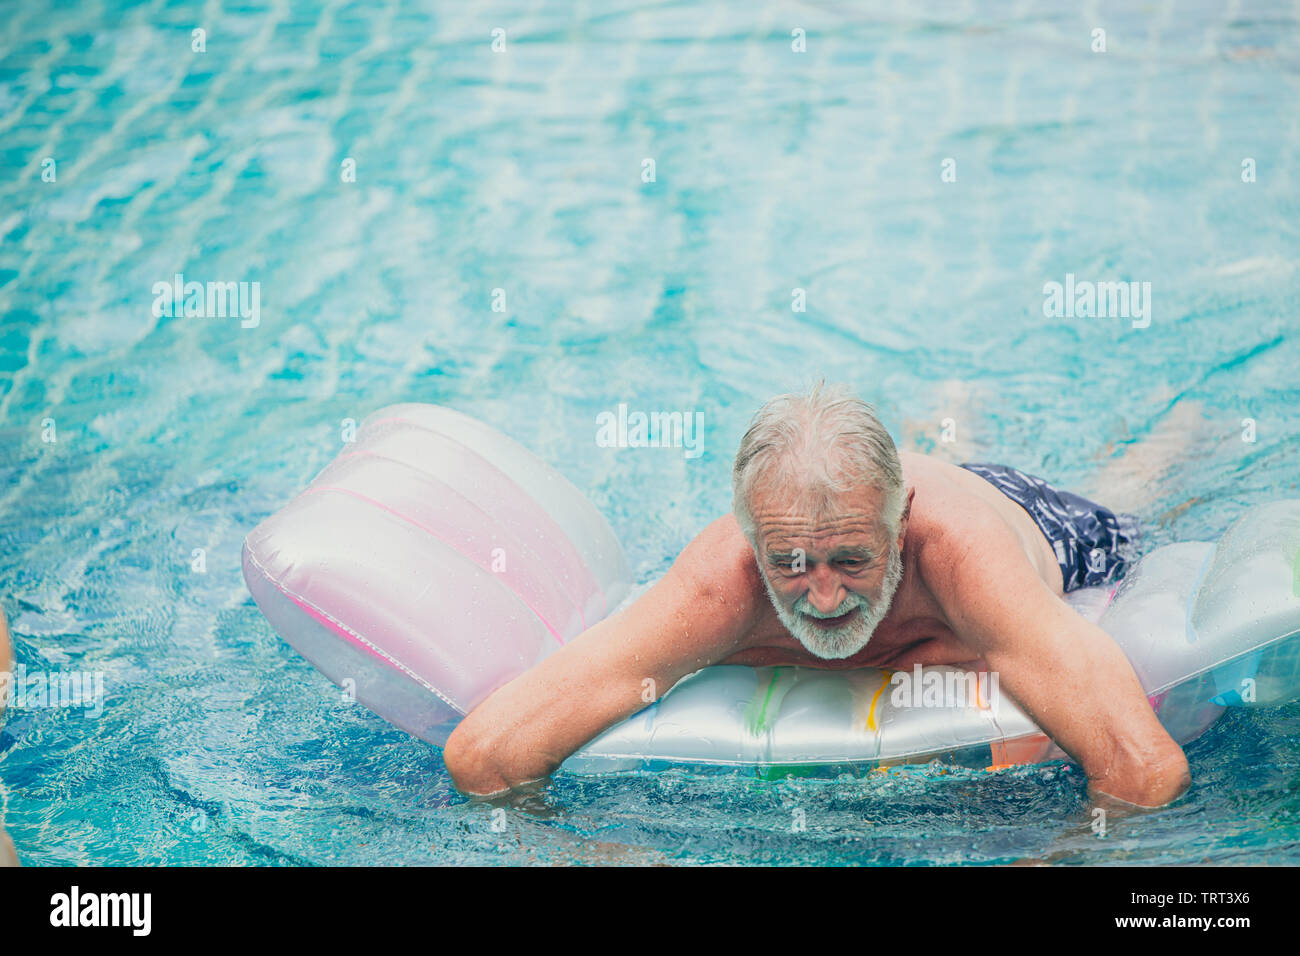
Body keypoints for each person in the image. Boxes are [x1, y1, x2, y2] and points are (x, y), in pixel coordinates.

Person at [444, 383, 1192, 807]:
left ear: (901, 527)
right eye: (791, 564)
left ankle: (1182, 431)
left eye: (852, 561)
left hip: (1019, 514)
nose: (825, 596)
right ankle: (940, 425)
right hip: (879, 491)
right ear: (749, 537)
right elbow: (484, 756)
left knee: (1130, 489)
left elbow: (1144, 768)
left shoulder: (964, 564)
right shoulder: (720, 586)